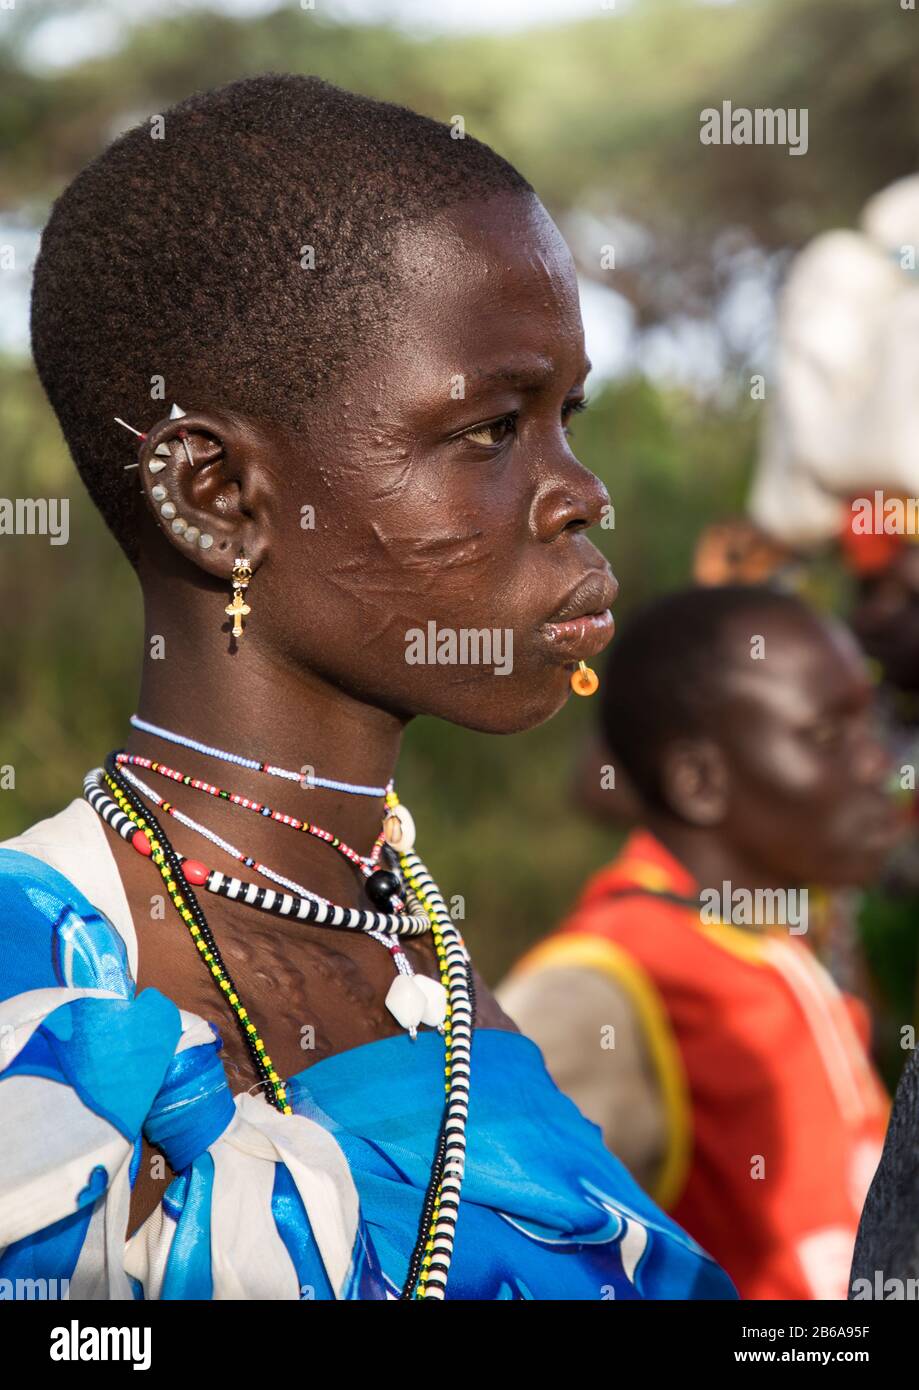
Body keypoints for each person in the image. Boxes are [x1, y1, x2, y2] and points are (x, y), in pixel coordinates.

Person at [0, 74, 734, 1301]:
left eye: (569, 413)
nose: (582, 491)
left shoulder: (422, 959)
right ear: (218, 498)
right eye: (492, 430)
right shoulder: (41, 976)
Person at [498, 585, 897, 1299]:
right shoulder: (606, 987)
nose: (875, 767)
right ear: (699, 782)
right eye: (829, 737)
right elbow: (497, 1259)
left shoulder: (776, 948)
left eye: (867, 729)